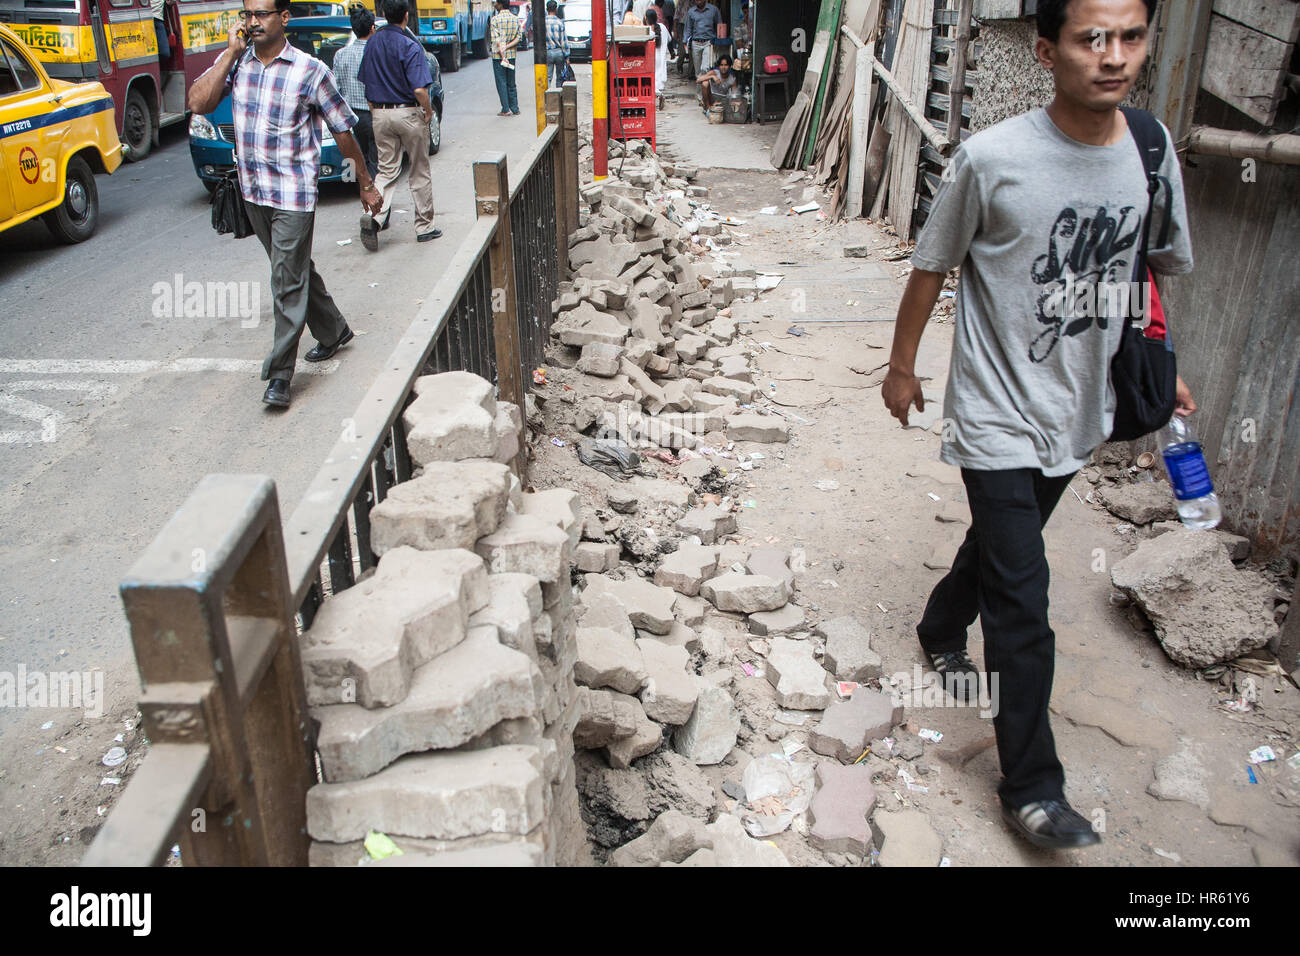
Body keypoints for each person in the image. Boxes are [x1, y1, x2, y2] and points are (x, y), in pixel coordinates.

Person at [880, 0, 1195, 850]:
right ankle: (1033, 786)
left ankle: (942, 625)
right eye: (1093, 38)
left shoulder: (1153, 153)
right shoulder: (992, 159)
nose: (1114, 56)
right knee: (1026, 596)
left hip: (1079, 407)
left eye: (1130, 37)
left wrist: (1166, 367)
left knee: (1000, 548)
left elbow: (1149, 271)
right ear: (1047, 48)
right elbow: (931, 265)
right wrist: (903, 365)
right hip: (993, 408)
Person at [188, 0, 380, 409]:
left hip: (293, 194)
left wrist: (364, 181)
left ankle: (279, 375)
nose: (252, 22)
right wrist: (229, 53)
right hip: (252, 192)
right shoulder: (237, 65)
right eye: (247, 15)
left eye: (261, 14)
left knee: (285, 280)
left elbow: (343, 129)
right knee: (293, 268)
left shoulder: (310, 70)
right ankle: (333, 331)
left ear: (283, 18)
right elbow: (198, 103)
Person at [357, 0, 438, 249]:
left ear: (383, 15)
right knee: (419, 170)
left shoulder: (372, 42)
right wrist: (428, 111)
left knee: (386, 170)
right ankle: (425, 227)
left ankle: (374, 217)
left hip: (380, 113)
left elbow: (366, 82)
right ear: (406, 15)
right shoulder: (409, 44)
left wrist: (375, 111)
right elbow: (419, 89)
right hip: (408, 112)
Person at [331, 6, 378, 179]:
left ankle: (365, 190)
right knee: (376, 160)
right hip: (373, 113)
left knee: (361, 157)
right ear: (372, 27)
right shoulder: (376, 51)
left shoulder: (341, 54)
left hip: (352, 116)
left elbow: (336, 88)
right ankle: (377, 197)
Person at [490, 0, 523, 116]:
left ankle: (505, 109)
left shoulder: (495, 20)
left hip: (498, 57)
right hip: (512, 55)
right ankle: (515, 108)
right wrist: (508, 46)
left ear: (500, 4)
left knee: (501, 82)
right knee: (511, 82)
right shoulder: (515, 19)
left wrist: (503, 55)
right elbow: (519, 37)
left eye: (496, 3)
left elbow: (496, 41)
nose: (495, 5)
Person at [684, 0, 721, 80]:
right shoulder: (691, 12)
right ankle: (699, 92)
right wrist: (685, 41)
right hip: (695, 43)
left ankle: (705, 91)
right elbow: (688, 28)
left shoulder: (713, 10)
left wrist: (718, 40)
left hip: (708, 42)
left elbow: (719, 25)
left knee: (705, 68)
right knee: (697, 71)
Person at [645, 7, 668, 109]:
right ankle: (659, 95)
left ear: (646, 18)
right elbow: (670, 40)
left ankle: (655, 97)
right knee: (658, 78)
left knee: (651, 79)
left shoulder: (647, 30)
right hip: (661, 58)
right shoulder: (663, 27)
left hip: (651, 57)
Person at [544, 0, 569, 89]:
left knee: (548, 77)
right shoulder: (559, 22)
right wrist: (567, 56)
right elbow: (564, 41)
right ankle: (558, 95)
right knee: (560, 77)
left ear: (547, 9)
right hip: (559, 52)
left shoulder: (542, 22)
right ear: (556, 9)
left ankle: (547, 96)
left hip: (548, 52)